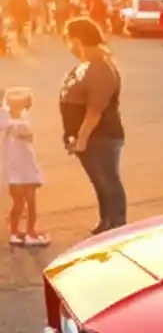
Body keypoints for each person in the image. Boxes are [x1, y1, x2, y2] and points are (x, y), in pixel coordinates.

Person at [59, 18, 127, 235]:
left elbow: (95, 110)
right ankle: (106, 222)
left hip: (101, 137)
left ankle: (116, 227)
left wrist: (81, 138)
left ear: (77, 40)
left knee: (108, 182)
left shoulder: (100, 68)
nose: (68, 45)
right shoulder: (86, 65)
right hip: (89, 137)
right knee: (100, 182)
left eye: (69, 40)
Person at [3, 87, 48, 246]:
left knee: (18, 202)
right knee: (30, 202)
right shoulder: (20, 124)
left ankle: (15, 233)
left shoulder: (7, 122)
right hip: (25, 168)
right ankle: (30, 233)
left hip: (14, 170)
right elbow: (27, 133)